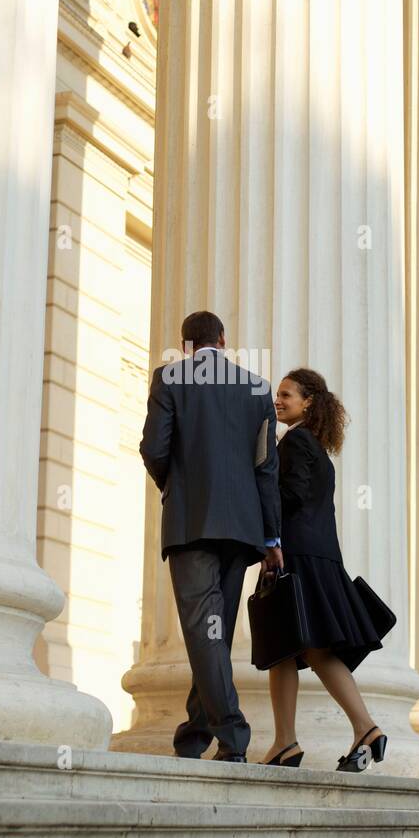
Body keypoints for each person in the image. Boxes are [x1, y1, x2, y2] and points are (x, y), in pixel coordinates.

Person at [139, 310, 282, 763]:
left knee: (204, 633)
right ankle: (193, 737)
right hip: (243, 531)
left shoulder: (170, 378)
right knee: (212, 633)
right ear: (223, 339)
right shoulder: (258, 388)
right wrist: (273, 538)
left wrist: (175, 487)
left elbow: (153, 448)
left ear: (186, 347)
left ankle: (233, 737)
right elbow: (266, 470)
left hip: (192, 524)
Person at [260, 368, 388, 772]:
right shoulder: (315, 445)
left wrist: (269, 536)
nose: (278, 400)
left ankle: (363, 729)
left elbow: (291, 495)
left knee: (306, 649)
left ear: (308, 401)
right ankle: (286, 742)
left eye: (286, 394)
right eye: (277, 394)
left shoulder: (295, 442)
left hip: (296, 557)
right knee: (293, 650)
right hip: (318, 556)